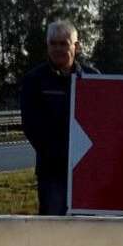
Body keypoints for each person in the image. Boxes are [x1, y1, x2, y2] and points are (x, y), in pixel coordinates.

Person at [18, 20, 86, 216]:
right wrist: (61, 154)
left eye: (63, 43)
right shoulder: (34, 80)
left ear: (76, 46)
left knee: (88, 225)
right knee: (53, 225)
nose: (57, 49)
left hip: (87, 170)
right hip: (52, 172)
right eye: (53, 43)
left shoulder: (91, 77)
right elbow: (31, 126)